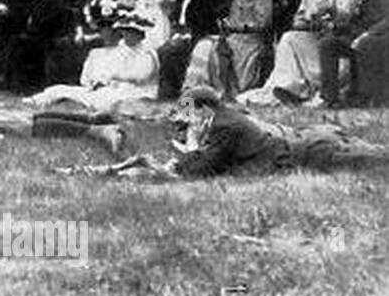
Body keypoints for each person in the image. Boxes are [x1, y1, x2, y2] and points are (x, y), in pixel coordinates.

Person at [91, 86, 389, 178]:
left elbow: (202, 169)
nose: (186, 119)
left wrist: (188, 151)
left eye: (190, 111)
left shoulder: (225, 127)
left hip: (311, 152)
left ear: (204, 109)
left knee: (375, 159)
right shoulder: (221, 120)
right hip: (303, 143)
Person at [240, 0, 350, 105]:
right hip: (310, 36)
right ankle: (289, 85)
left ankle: (297, 87)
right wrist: (306, 21)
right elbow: (297, 19)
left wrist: (327, 14)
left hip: (331, 39)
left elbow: (344, 17)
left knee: (291, 39)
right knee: (289, 38)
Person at [28, 13, 160, 115]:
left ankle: (78, 107)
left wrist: (114, 77)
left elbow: (140, 76)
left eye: (130, 31)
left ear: (139, 34)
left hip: (138, 96)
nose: (126, 34)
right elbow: (107, 74)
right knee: (60, 89)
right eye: (125, 31)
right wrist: (103, 81)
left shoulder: (147, 53)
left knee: (103, 100)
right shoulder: (123, 51)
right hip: (117, 92)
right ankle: (38, 100)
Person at [317, 0, 389, 106]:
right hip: (358, 32)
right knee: (327, 43)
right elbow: (354, 13)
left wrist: (368, 34)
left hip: (379, 35)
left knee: (364, 45)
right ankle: (330, 98)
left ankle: (363, 96)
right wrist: (335, 23)